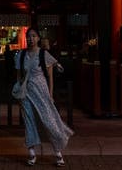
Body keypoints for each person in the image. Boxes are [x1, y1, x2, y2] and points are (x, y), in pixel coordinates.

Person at [16, 27, 72, 167]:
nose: (31, 39)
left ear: (39, 38)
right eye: (29, 36)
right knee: (29, 121)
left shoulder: (44, 54)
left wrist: (50, 94)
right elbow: (18, 77)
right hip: (26, 93)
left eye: (34, 36)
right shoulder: (21, 55)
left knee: (49, 120)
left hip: (41, 92)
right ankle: (32, 153)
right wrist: (19, 92)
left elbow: (50, 77)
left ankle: (58, 151)